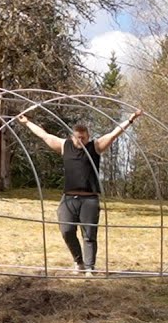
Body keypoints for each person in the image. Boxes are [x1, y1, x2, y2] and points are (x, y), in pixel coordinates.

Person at [16, 109, 143, 273]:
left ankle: (90, 267)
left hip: (89, 199)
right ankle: (79, 262)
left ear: (88, 137)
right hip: (68, 198)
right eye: (78, 137)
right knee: (66, 231)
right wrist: (27, 122)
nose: (80, 140)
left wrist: (130, 119)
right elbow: (44, 135)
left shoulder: (95, 147)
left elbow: (113, 134)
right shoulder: (64, 146)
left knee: (89, 235)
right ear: (72, 136)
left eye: (84, 137)